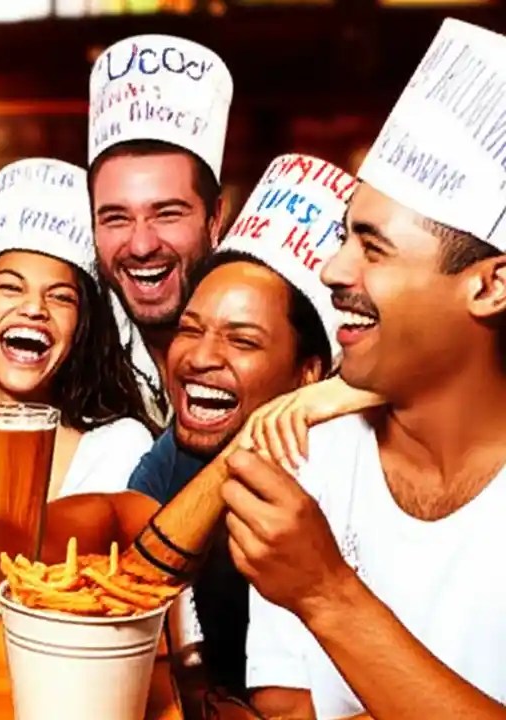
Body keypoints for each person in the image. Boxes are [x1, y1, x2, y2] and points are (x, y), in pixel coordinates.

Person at [236, 19, 506, 718]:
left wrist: (326, 590)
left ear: (490, 286)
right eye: (341, 237)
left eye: (373, 248)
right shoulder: (310, 454)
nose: (331, 269)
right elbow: (284, 701)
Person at [128, 154, 379, 697]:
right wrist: (246, 443)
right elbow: (129, 576)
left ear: (309, 373)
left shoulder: (351, 472)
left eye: (242, 340)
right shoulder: (178, 451)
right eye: (189, 329)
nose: (199, 358)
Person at [0, 158, 154, 497]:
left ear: (81, 328)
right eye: (10, 287)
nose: (35, 308)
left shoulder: (118, 447)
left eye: (61, 297)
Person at [87, 34, 235, 429]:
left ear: (215, 219)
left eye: (167, 214)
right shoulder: (71, 341)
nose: (141, 245)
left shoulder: (271, 340)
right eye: (116, 218)